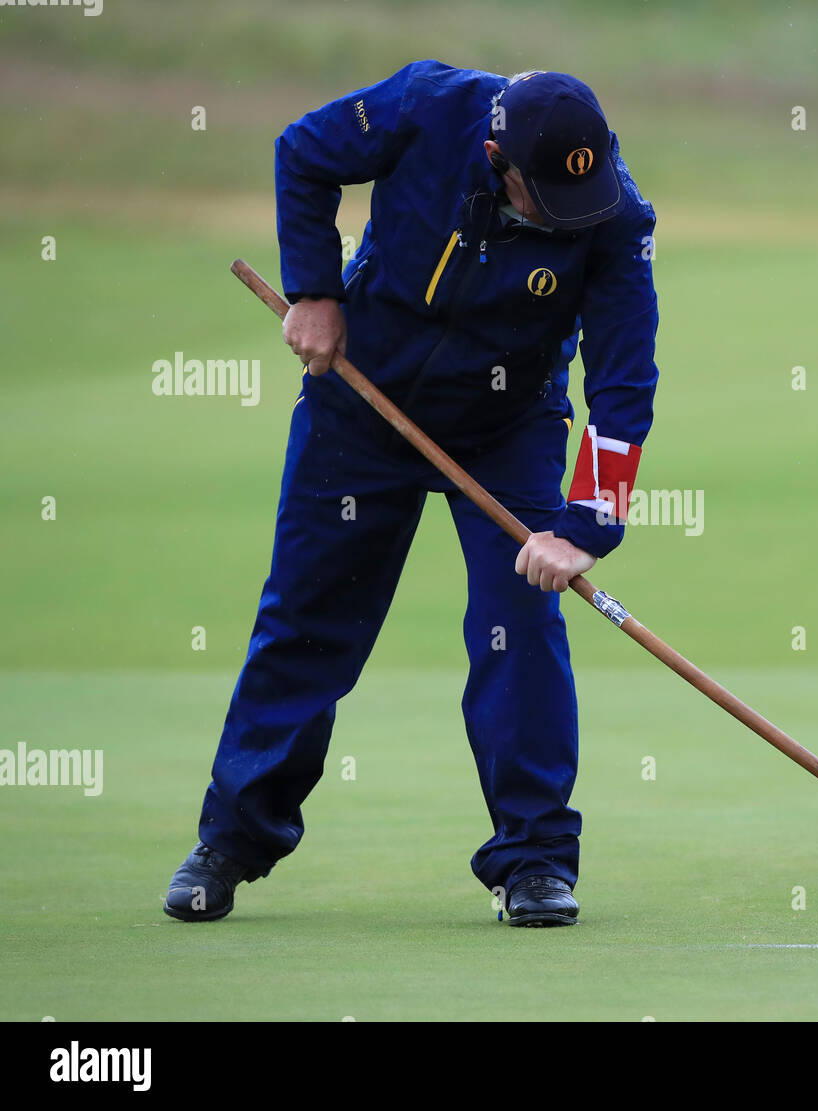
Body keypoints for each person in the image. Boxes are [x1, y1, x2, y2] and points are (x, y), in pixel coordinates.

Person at [162, 63, 658, 927]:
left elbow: (623, 377)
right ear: (495, 156)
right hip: (360, 402)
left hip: (510, 428)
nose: (562, 219)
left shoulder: (613, 214)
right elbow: (303, 154)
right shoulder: (429, 106)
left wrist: (588, 526)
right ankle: (233, 840)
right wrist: (315, 290)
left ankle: (534, 861)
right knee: (309, 622)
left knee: (521, 628)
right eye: (541, 197)